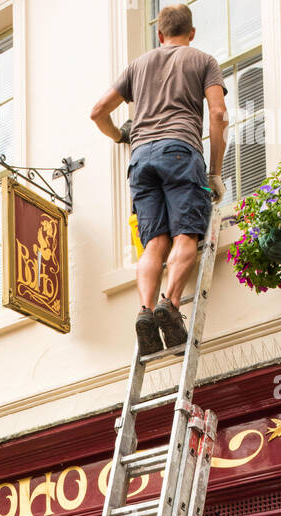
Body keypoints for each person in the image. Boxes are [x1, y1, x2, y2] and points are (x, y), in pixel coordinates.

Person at [91, 3, 229, 357]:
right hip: (180, 151)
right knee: (185, 234)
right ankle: (170, 303)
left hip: (141, 160)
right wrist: (214, 172)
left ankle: (145, 311)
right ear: (192, 33)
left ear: (159, 33)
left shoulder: (138, 65)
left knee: (154, 242)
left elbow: (97, 112)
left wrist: (121, 137)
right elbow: (217, 113)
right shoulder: (203, 60)